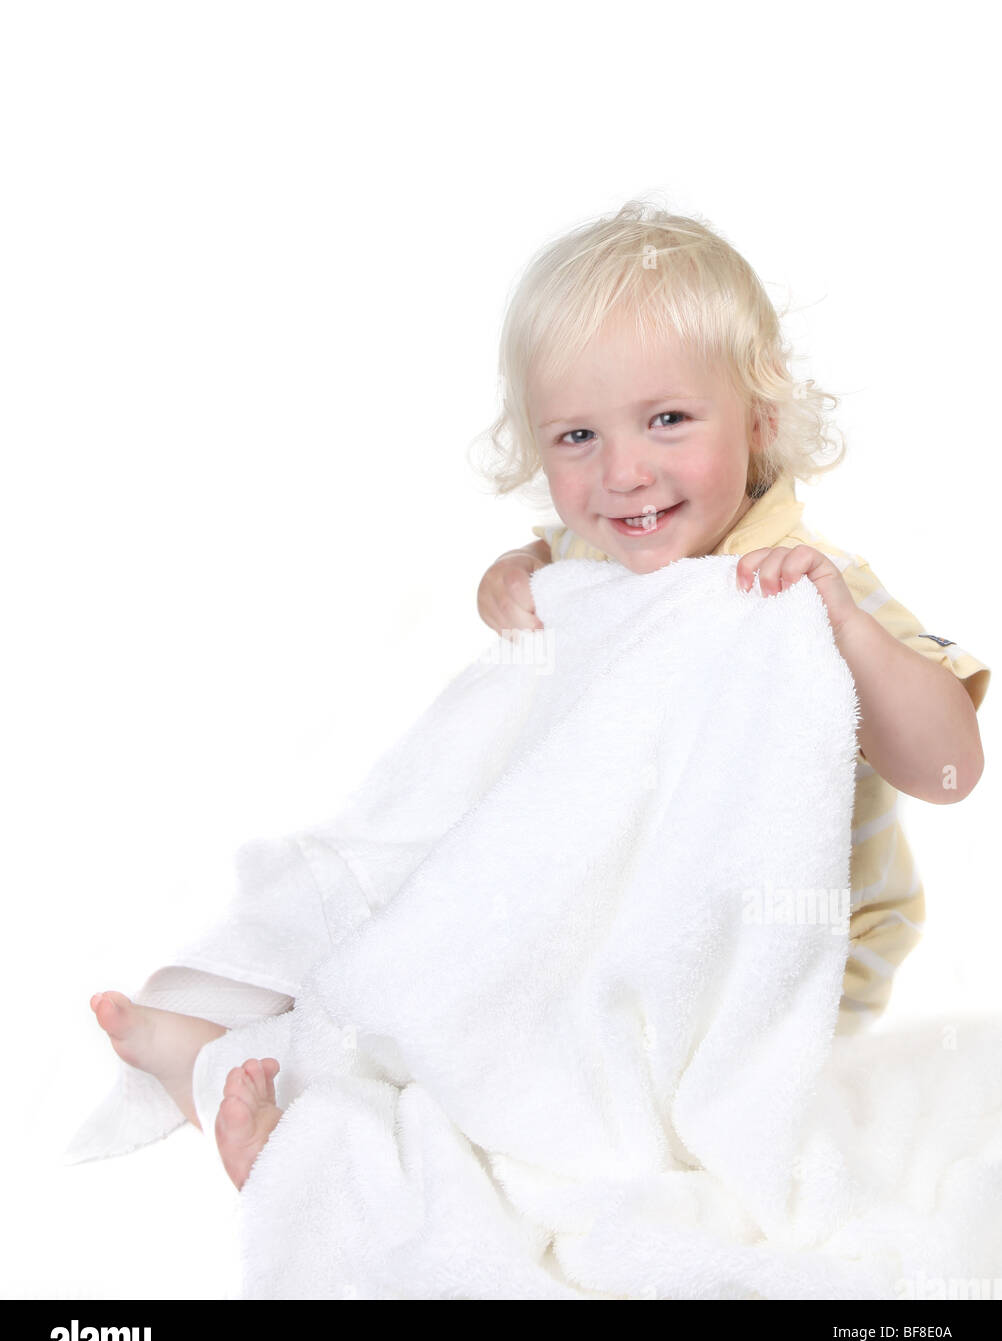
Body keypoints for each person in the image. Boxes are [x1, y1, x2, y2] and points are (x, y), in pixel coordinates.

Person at [90, 200, 991, 1191]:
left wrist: (847, 634)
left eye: (668, 420)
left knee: (554, 1079)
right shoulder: (591, 560)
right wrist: (514, 581)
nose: (623, 472)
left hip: (783, 955)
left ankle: (342, 1137)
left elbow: (948, 766)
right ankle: (266, 1072)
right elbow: (540, 702)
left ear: (761, 420)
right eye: (575, 436)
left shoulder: (804, 583)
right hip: (605, 904)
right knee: (453, 933)